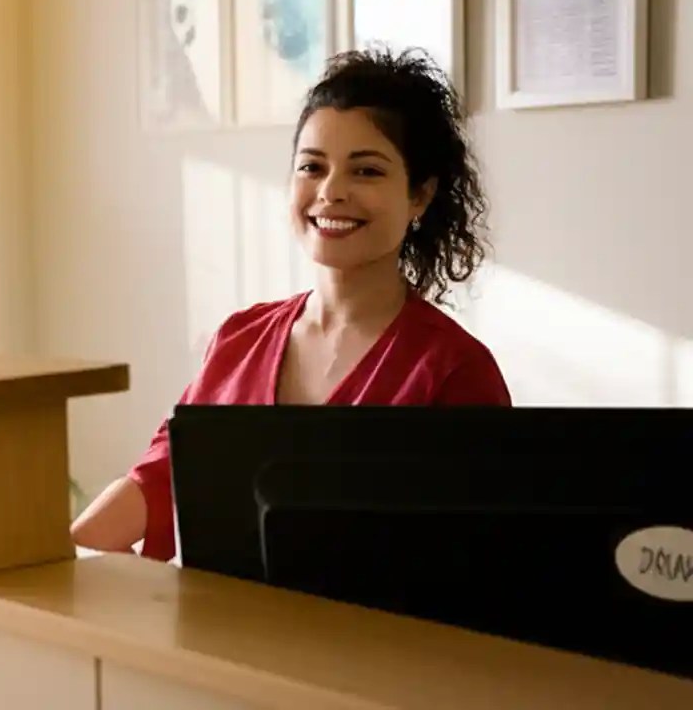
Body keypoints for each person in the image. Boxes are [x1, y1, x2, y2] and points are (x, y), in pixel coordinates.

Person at [71, 47, 512, 562]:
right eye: (311, 167)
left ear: (420, 195)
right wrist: (61, 554)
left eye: (367, 171)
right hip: (221, 615)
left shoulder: (454, 370)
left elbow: (482, 562)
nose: (331, 191)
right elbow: (160, 480)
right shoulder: (239, 338)